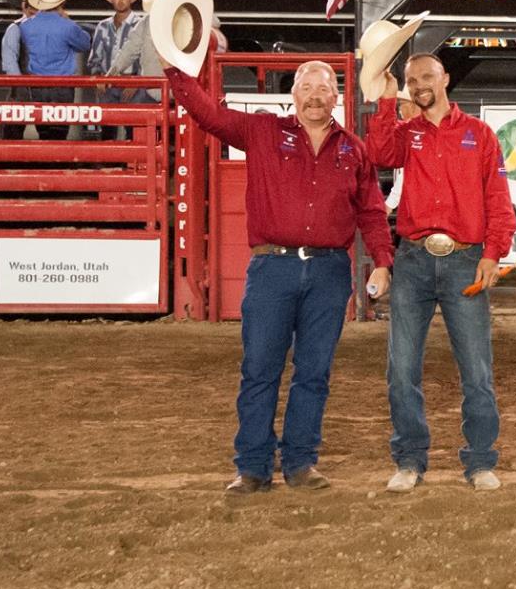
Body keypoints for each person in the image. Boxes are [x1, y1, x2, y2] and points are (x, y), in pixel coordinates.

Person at [167, 56, 392, 492]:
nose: (314, 96)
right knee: (260, 368)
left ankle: (300, 463)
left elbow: (371, 210)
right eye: (306, 88)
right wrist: (175, 70)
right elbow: (207, 113)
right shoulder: (263, 130)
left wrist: (382, 261)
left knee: (313, 371)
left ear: (335, 97)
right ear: (294, 96)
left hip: (328, 270)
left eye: (323, 89)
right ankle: (252, 466)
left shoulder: (353, 149)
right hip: (273, 265)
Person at [367, 51, 515, 493]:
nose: (419, 85)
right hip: (412, 259)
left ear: (445, 78)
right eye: (412, 80)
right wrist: (386, 101)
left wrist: (493, 252)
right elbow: (377, 151)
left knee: (476, 369)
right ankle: (409, 459)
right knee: (401, 369)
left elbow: (498, 200)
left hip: (465, 260)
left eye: (426, 76)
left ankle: (480, 460)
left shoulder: (479, 134)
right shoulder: (405, 133)